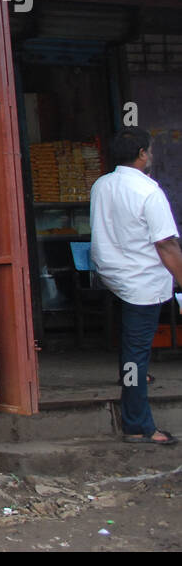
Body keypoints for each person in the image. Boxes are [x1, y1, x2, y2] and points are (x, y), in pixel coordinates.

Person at [89, 126, 180, 445]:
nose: (151, 155)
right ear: (142, 154)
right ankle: (138, 425)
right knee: (135, 356)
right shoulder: (149, 191)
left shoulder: (102, 184)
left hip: (113, 275)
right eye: (149, 150)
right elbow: (167, 245)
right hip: (141, 281)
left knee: (133, 349)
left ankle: (134, 379)